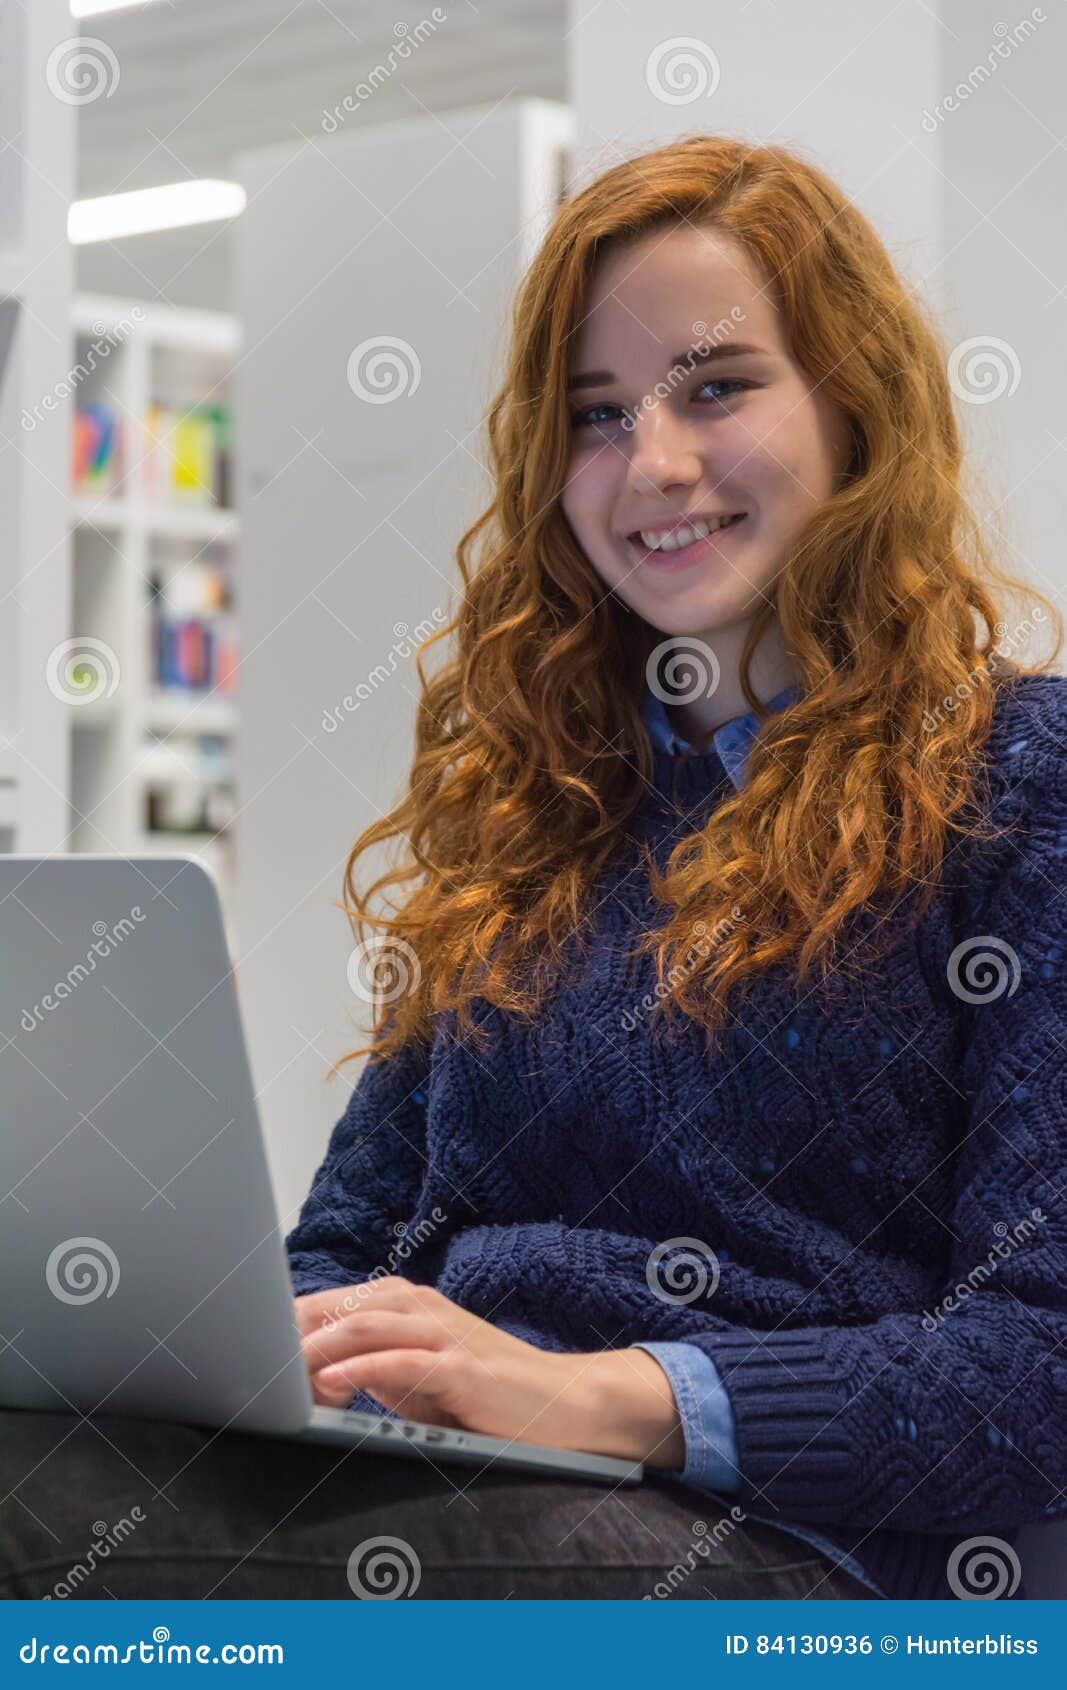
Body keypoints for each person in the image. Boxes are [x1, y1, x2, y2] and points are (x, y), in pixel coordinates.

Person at [2, 134, 1064, 1602]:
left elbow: (1038, 1367)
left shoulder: (1022, 779)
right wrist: (307, 1356)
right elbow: (342, 1247)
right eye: (598, 415)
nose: (656, 465)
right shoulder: (537, 808)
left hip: (818, 1548)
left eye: (717, 387)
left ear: (855, 407)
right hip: (482, 1468)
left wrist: (597, 1395)